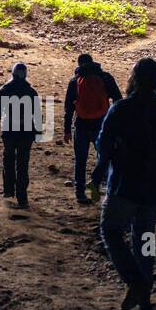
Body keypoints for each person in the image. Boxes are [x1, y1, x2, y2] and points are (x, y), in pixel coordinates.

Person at [96, 58, 156, 310]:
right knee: (146, 238)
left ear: (136, 79)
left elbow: (103, 144)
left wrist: (99, 172)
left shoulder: (121, 109)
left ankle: (135, 281)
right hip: (152, 189)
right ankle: (145, 293)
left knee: (110, 231)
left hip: (124, 185)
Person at [62, 53, 122, 205]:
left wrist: (67, 130)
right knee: (105, 157)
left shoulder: (75, 81)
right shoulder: (105, 77)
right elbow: (118, 100)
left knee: (80, 161)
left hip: (81, 126)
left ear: (79, 64)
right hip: (101, 126)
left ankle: (80, 193)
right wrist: (114, 122)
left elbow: (69, 107)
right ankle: (101, 186)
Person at [0, 62, 42, 208]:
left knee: (9, 161)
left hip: (9, 130)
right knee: (23, 164)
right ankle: (22, 197)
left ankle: (8, 191)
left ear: (12, 73)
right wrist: (38, 131)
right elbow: (37, 114)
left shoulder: (5, 89)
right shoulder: (31, 91)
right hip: (26, 132)